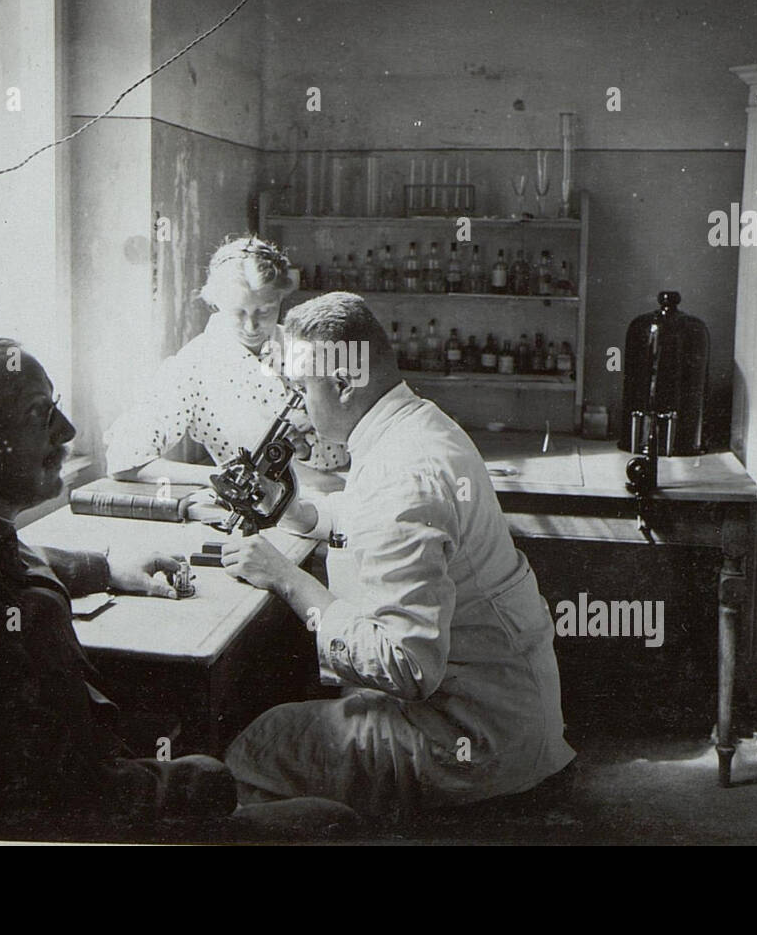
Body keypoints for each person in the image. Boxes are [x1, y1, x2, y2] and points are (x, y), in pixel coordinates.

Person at [0, 336, 352, 839]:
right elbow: (66, 799)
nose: (68, 431)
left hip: (41, 784)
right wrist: (203, 780)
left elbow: (0, 559)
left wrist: (104, 568)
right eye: (38, 415)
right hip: (22, 829)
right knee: (331, 822)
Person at [219, 293, 576, 819]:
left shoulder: (403, 475)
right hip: (508, 709)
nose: (297, 408)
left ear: (343, 383)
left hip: (471, 739)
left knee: (261, 744)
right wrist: (297, 513)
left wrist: (286, 577)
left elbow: (405, 665)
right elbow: (378, 520)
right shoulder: (416, 424)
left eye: (300, 390)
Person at [104, 237, 348, 491]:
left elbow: (346, 449)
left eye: (264, 311)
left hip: (338, 495)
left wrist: (306, 450)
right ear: (216, 303)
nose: (251, 326)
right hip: (262, 512)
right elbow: (124, 459)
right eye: (238, 312)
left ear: (281, 298)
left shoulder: (308, 351)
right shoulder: (193, 367)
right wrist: (217, 477)